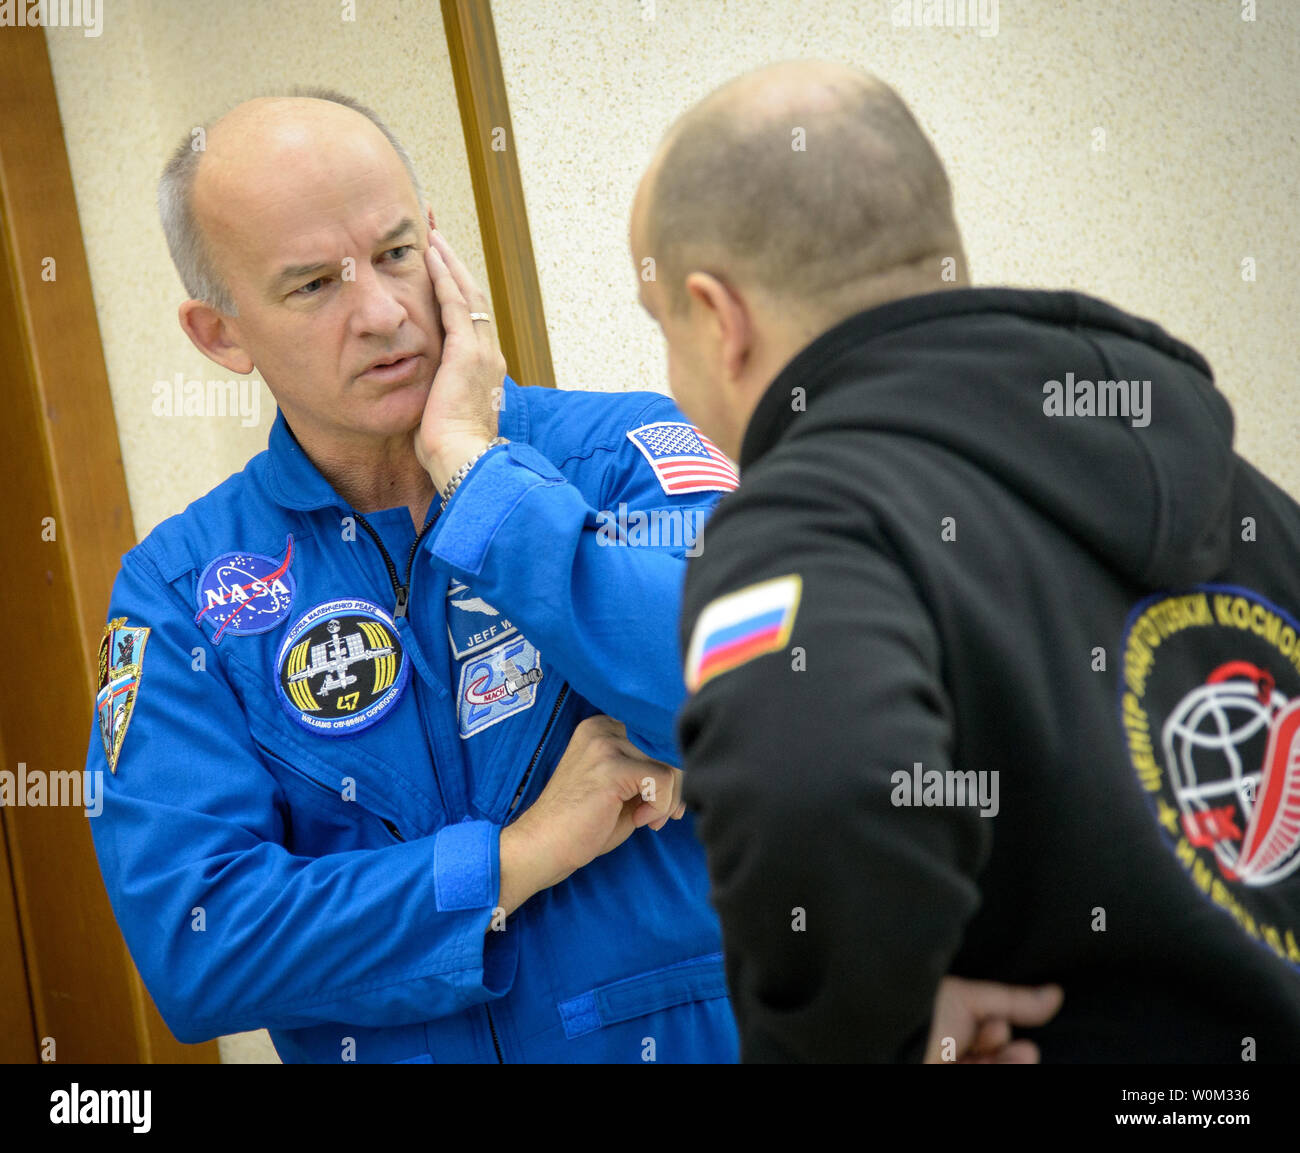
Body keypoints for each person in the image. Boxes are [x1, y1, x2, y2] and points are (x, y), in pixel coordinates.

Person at [88, 88, 1056, 1063]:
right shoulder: (182, 593)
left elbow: (768, 700)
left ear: (436, 241)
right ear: (220, 334)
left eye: (394, 254)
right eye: (313, 286)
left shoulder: (629, 455)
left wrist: (480, 483)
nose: (382, 313)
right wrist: (511, 862)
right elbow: (201, 944)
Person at [630, 60, 1300, 1062]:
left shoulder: (806, 519)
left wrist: (867, 1039)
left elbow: (821, 789)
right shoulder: (1249, 497)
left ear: (719, 318)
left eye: (664, 336)